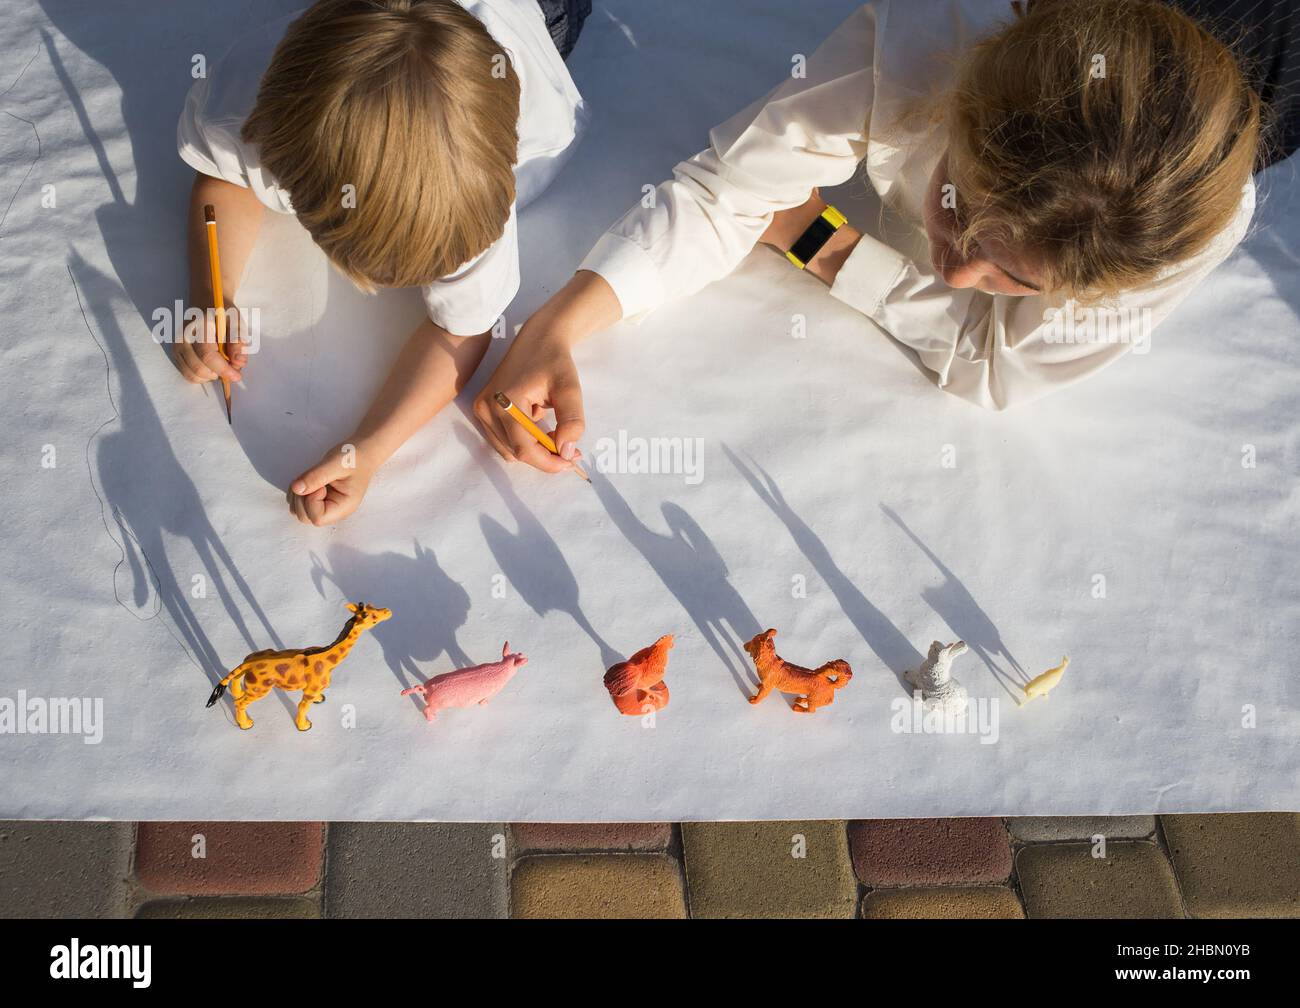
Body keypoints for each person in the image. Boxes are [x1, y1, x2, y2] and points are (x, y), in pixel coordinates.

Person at [475, 0, 1270, 475]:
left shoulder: (1176, 233)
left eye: (1015, 279)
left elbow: (993, 365)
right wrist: (559, 323)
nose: (956, 275)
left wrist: (822, 239)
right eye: (958, 211)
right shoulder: (933, 32)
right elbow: (731, 190)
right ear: (959, 107)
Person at [173, 0, 590, 523]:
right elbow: (225, 177)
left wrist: (368, 450)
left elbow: (460, 333)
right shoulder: (242, 107)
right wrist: (213, 294)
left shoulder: (483, 178)